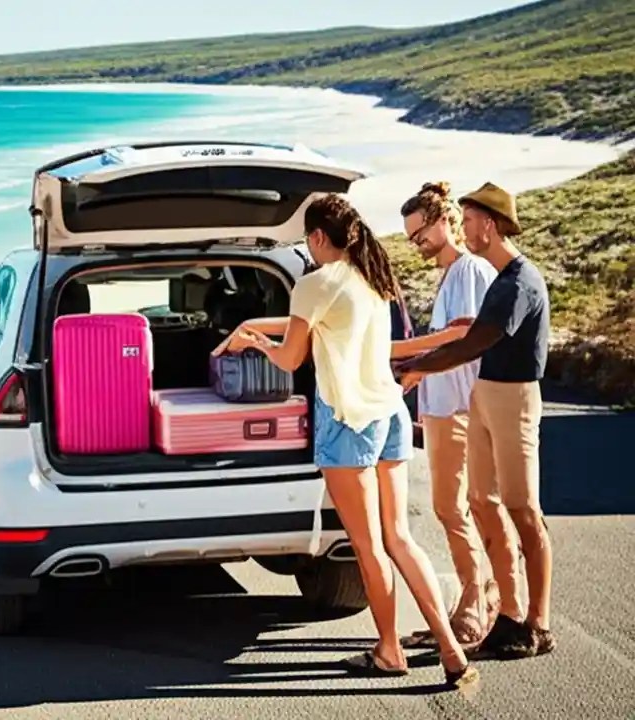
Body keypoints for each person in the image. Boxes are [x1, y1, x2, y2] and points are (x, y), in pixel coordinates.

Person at [217, 194, 478, 689]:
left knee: (368, 545)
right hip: (389, 414)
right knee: (399, 538)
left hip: (348, 420)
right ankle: (451, 649)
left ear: (318, 237)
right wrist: (439, 338)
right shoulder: (371, 278)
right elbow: (378, 347)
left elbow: (291, 359)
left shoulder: (314, 284)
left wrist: (256, 343)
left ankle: (389, 651)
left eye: (307, 240)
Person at [396, 182, 555, 659]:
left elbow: (470, 340)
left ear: (488, 223)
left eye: (467, 221)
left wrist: (412, 365)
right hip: (483, 396)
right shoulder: (497, 277)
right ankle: (507, 612)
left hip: (506, 398)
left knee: (521, 509)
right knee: (483, 502)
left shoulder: (515, 280)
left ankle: (532, 621)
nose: (464, 229)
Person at [390, 182, 500, 649]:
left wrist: (411, 362)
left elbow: (465, 333)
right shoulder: (450, 275)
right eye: (411, 238)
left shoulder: (469, 269)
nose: (417, 244)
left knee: (456, 507)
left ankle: (476, 603)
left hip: (461, 407)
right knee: (454, 507)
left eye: (420, 235)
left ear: (443, 222)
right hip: (444, 408)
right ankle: (478, 596)